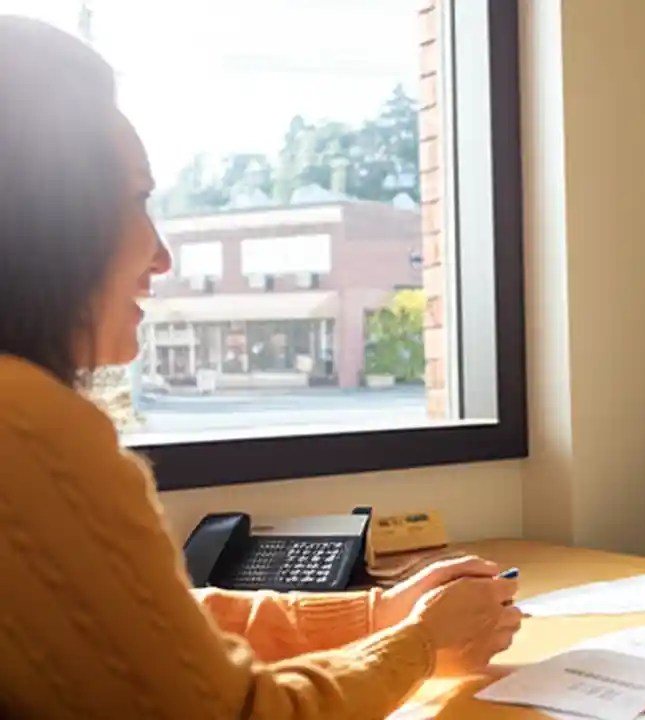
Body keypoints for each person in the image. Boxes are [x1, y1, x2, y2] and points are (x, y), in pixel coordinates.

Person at [0, 16, 520, 719]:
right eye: (136, 199)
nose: (162, 255)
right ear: (43, 214)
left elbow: (167, 621)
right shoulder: (27, 428)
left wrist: (379, 612)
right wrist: (420, 644)